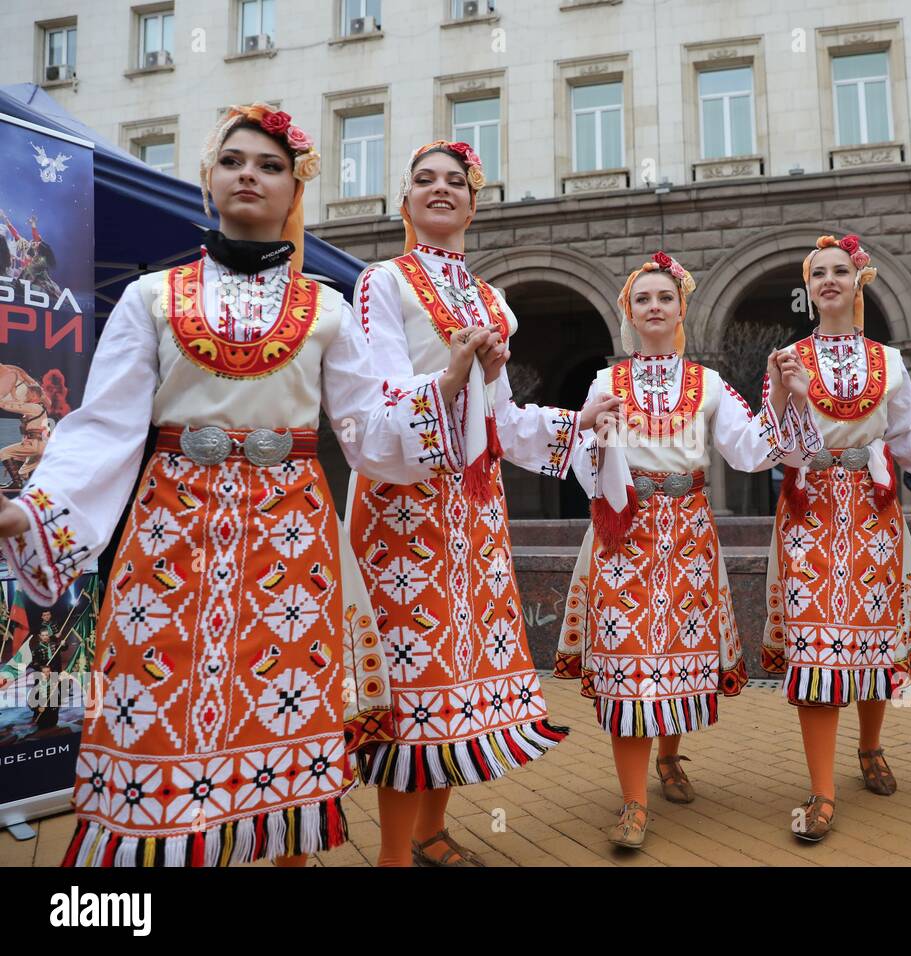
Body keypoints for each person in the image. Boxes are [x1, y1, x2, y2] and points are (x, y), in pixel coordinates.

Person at [0, 103, 479, 867]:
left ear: (294, 194)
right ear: (207, 185)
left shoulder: (326, 308)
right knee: (157, 724)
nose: (249, 174)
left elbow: (368, 433)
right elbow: (104, 429)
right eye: (233, 162)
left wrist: (445, 383)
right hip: (169, 542)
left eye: (269, 165)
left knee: (282, 731)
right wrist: (34, 513)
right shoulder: (151, 298)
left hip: (292, 547)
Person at [348, 140, 618, 868]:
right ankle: (395, 854)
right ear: (404, 202)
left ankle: (433, 833)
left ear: (474, 202)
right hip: (402, 505)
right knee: (410, 677)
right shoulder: (381, 283)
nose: (440, 190)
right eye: (423, 180)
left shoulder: (490, 301)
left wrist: (573, 423)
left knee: (455, 675)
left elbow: (498, 419)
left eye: (455, 182)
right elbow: (379, 396)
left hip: (472, 511)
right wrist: (454, 372)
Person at [555, 250, 817, 850]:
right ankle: (631, 802)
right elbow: (584, 461)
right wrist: (593, 438)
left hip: (689, 533)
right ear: (629, 311)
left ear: (680, 309)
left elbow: (749, 452)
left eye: (664, 298)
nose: (654, 306)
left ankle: (669, 758)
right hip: (625, 533)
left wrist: (778, 397)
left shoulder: (707, 382)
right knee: (628, 663)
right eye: (642, 298)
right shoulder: (608, 381)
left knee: (677, 652)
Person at [762, 235, 911, 842]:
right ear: (808, 289)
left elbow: (905, 442)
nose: (829, 280)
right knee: (817, 647)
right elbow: (772, 442)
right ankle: (822, 791)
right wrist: (788, 396)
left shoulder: (890, 360)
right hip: (810, 514)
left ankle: (871, 746)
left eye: (840, 272)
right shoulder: (786, 358)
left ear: (860, 282)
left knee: (874, 637)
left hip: (874, 513)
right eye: (818, 273)